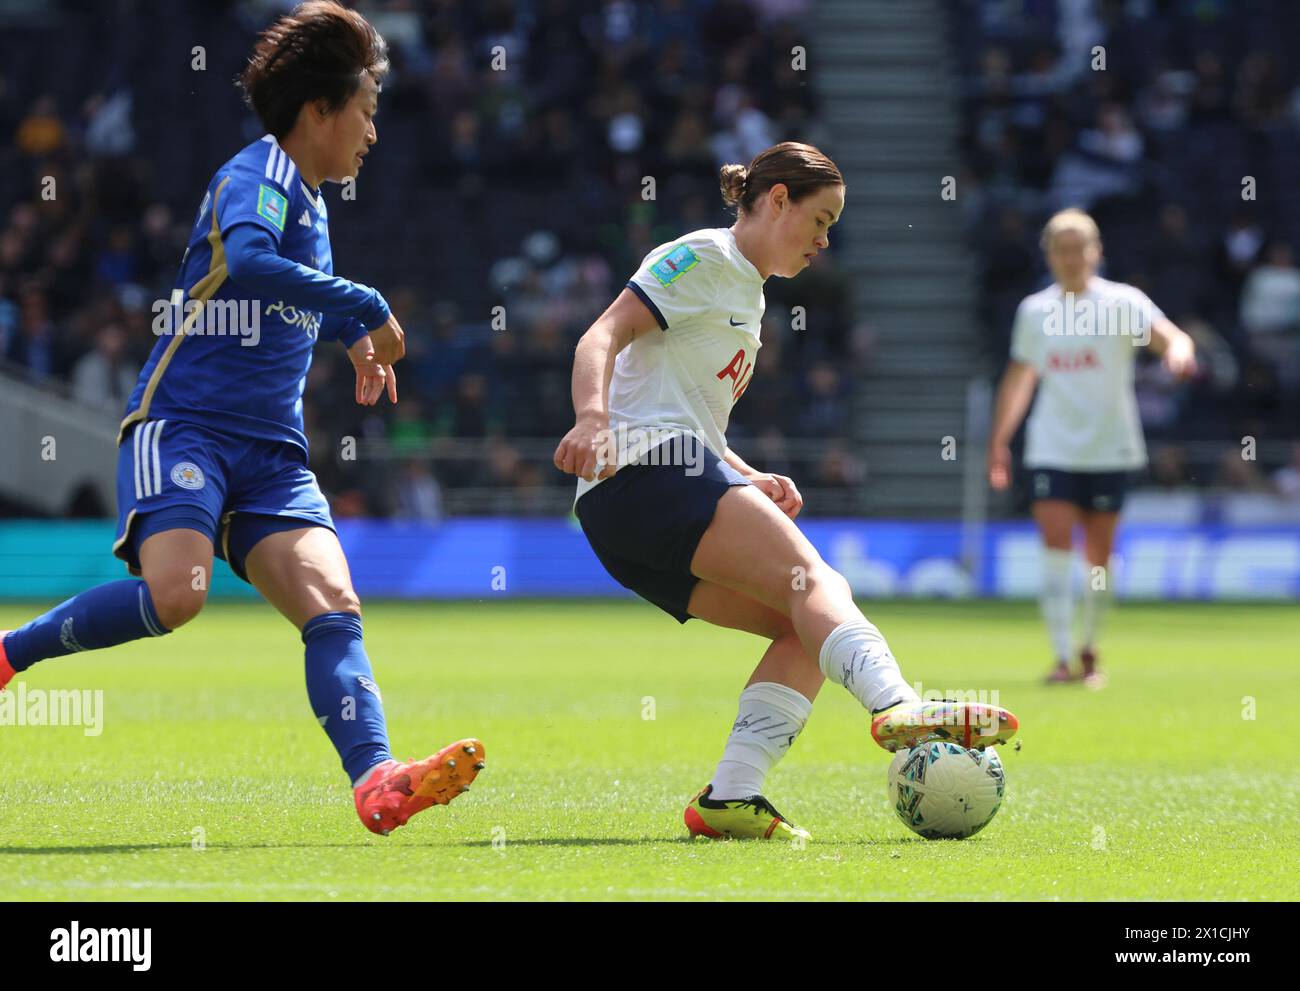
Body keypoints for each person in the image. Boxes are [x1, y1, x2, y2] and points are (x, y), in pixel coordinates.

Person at [0, 0, 483, 836]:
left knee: (334, 601)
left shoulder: (316, 201)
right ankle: (11, 654)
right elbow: (254, 266)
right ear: (319, 110)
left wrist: (350, 338)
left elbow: (296, 300)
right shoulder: (252, 176)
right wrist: (367, 305)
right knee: (179, 595)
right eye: (365, 111)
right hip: (183, 424)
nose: (372, 132)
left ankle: (377, 778)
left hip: (271, 452)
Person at [554, 141, 1019, 841]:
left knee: (803, 626)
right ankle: (896, 704)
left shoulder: (751, 290)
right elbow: (603, 334)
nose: (824, 241)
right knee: (816, 579)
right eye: (821, 219)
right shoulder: (703, 257)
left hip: (631, 508)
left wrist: (743, 472)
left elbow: (680, 406)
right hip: (646, 473)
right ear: (777, 200)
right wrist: (591, 418)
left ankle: (730, 796)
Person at [987, 208, 1197, 687]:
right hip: (1051, 446)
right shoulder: (1035, 311)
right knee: (1055, 548)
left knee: (1099, 559)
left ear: (1095, 252)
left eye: (1078, 248)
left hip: (1110, 447)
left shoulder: (1124, 303)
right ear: (1049, 255)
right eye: (1060, 250)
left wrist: (1181, 353)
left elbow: (1169, 337)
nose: (1070, 258)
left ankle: (1089, 647)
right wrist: (999, 441)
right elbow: (1020, 378)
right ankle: (1062, 657)